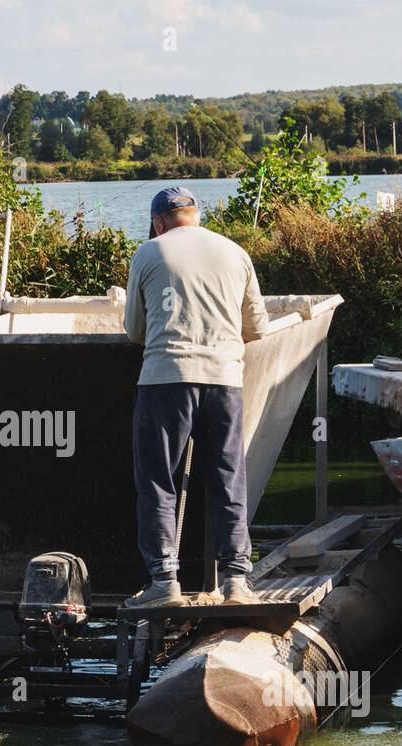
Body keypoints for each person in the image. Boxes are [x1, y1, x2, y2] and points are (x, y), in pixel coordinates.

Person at [121, 186, 270, 609]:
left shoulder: (149, 252)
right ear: (196, 216)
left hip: (165, 381)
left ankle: (165, 583)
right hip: (225, 380)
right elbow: (256, 327)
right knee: (228, 478)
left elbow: (134, 331)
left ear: (158, 221)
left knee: (157, 482)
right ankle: (237, 582)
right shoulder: (234, 252)